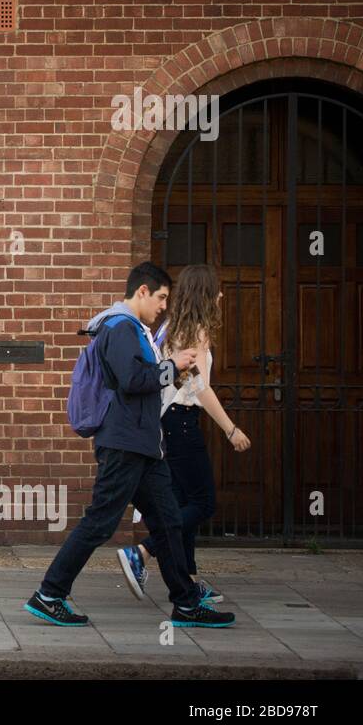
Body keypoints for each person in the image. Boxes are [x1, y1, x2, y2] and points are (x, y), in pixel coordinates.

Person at [24, 262, 236, 628]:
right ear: (142, 291)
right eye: (161, 298)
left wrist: (169, 366)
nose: (164, 306)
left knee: (169, 521)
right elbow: (132, 380)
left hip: (143, 445)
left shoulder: (133, 328)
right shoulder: (121, 328)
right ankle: (50, 593)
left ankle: (186, 603)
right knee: (100, 522)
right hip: (124, 444)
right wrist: (173, 365)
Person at [118, 264, 250, 605]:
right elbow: (199, 389)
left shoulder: (170, 328)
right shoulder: (197, 332)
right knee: (203, 503)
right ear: (205, 293)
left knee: (180, 504)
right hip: (182, 422)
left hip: (166, 423)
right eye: (216, 289)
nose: (221, 295)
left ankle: (189, 583)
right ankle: (143, 552)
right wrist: (230, 428)